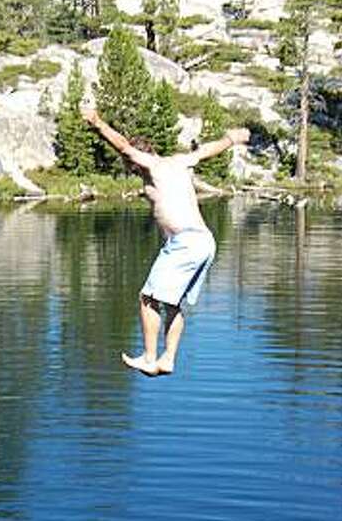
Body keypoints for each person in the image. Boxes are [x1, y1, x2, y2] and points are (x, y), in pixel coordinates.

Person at [82, 107, 250, 377]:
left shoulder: (151, 165)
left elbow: (123, 146)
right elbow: (205, 151)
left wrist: (97, 122)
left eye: (131, 166)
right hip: (205, 242)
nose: (131, 169)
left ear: (137, 161)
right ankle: (168, 358)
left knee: (148, 298)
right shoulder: (177, 161)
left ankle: (150, 358)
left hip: (185, 242)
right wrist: (231, 139)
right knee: (172, 304)